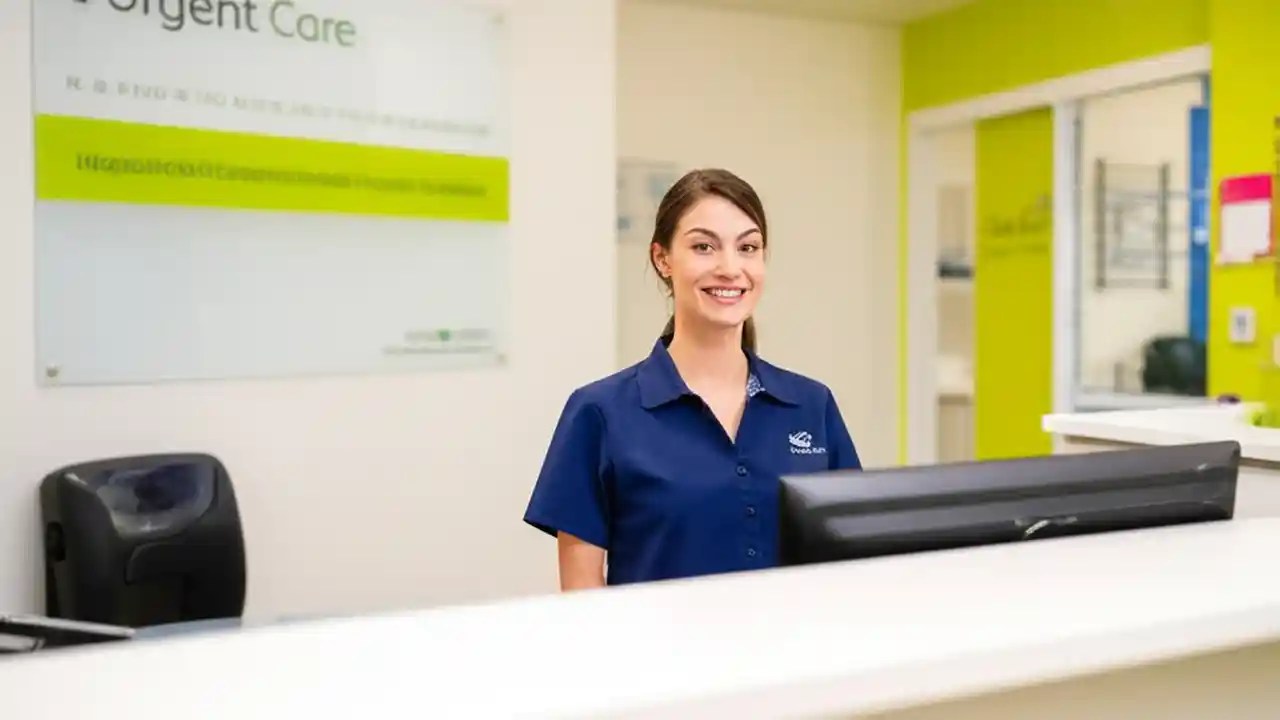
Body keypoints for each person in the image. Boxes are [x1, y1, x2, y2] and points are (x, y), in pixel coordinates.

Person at [523, 168, 862, 590]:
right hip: (659, 655)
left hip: (795, 652)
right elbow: (581, 595)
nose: (730, 268)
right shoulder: (599, 413)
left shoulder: (812, 406)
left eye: (748, 247)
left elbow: (851, 568)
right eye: (704, 247)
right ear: (662, 259)